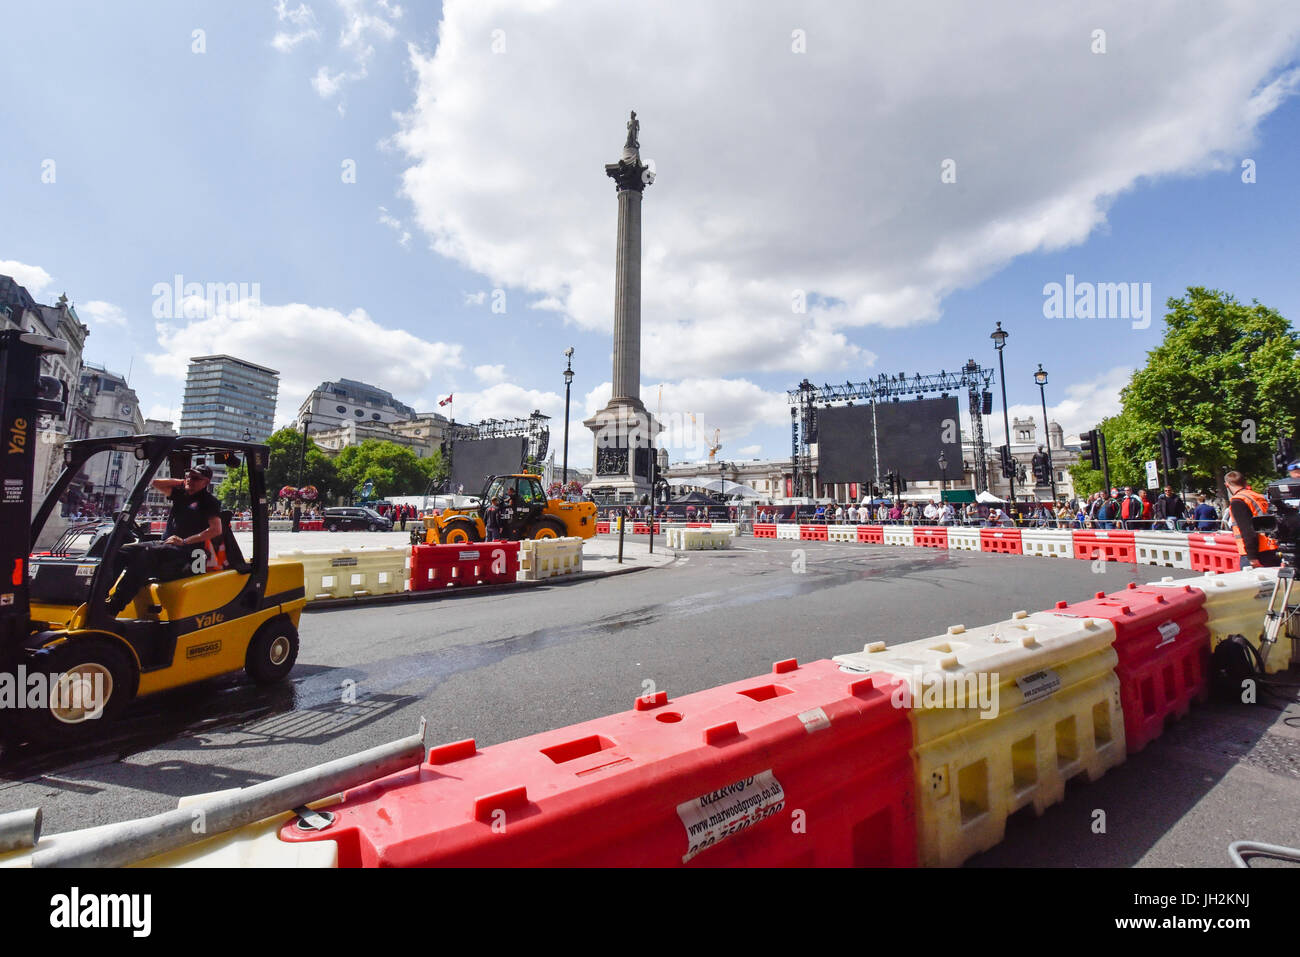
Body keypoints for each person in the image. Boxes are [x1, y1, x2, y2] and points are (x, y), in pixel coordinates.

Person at [104, 464, 223, 618]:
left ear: (206, 482)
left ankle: (115, 605)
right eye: (188, 476)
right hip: (167, 545)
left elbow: (216, 529)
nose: (189, 480)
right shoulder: (182, 494)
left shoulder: (209, 502)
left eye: (195, 478)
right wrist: (184, 482)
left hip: (189, 551)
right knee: (124, 551)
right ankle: (100, 594)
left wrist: (185, 541)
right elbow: (155, 483)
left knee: (147, 554)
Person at [1225, 470, 1279, 568]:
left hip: (1256, 552)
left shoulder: (1238, 501)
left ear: (1227, 485)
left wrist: (1252, 557)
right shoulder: (1258, 497)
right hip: (1270, 547)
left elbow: (1247, 530)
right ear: (1245, 483)